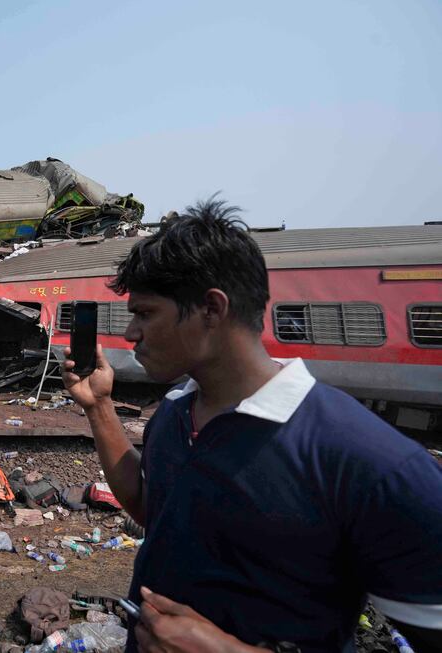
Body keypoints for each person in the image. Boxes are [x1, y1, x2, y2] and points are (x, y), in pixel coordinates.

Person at [62, 197, 442, 653]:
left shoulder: (373, 463)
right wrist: (99, 407)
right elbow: (153, 509)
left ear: (212, 310)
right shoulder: (175, 413)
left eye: (145, 313)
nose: (129, 334)